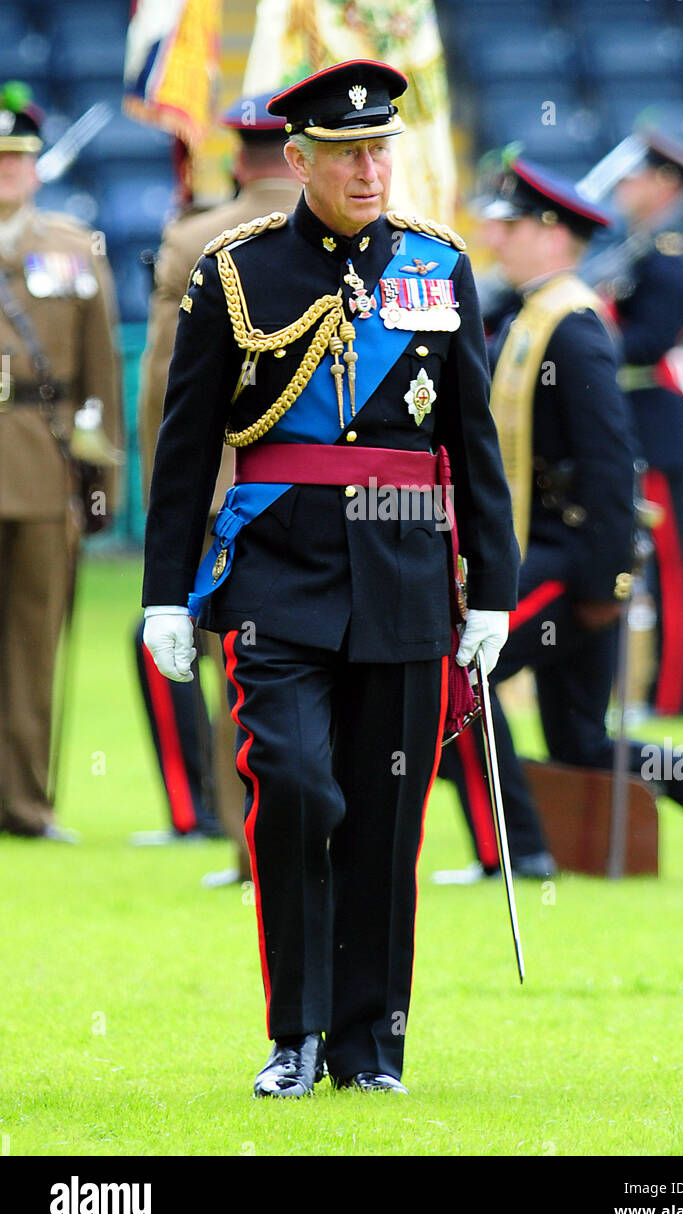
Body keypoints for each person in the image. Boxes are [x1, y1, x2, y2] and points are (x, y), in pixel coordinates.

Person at [141, 60, 519, 1097]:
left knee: (387, 825)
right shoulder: (235, 271)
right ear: (297, 159)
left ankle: (369, 1050)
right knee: (299, 788)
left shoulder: (437, 268)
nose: (370, 169)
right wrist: (164, 593)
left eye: (381, 149)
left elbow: (472, 442)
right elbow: (184, 451)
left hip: (403, 571)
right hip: (277, 569)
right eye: (348, 153)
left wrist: (491, 590)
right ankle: (295, 1035)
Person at [437, 155, 683, 880]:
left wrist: (603, 582)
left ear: (549, 234)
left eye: (507, 227)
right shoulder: (529, 313)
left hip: (567, 560)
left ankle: (518, 848)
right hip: (559, 555)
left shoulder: (569, 326)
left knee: (453, 678)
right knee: (578, 742)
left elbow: (611, 464)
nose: (494, 239)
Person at [134, 93, 299, 883]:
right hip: (327, 496)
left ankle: (244, 843)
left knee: (235, 674)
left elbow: (169, 388)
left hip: (217, 495)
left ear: (238, 157)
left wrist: (166, 493)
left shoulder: (197, 239)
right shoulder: (366, 241)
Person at [0, 82, 121, 840]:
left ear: (36, 168)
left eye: (15, 160)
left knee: (33, 649)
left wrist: (98, 490)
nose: (5, 173)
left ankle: (24, 804)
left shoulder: (74, 249)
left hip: (43, 471)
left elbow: (100, 380)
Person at [611, 130, 683, 718]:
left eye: (639, 175)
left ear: (665, 185)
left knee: (669, 568)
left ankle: (672, 695)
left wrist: (589, 329)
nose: (627, 186)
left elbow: (648, 343)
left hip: (653, 423)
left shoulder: (665, 259)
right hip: (630, 422)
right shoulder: (638, 251)